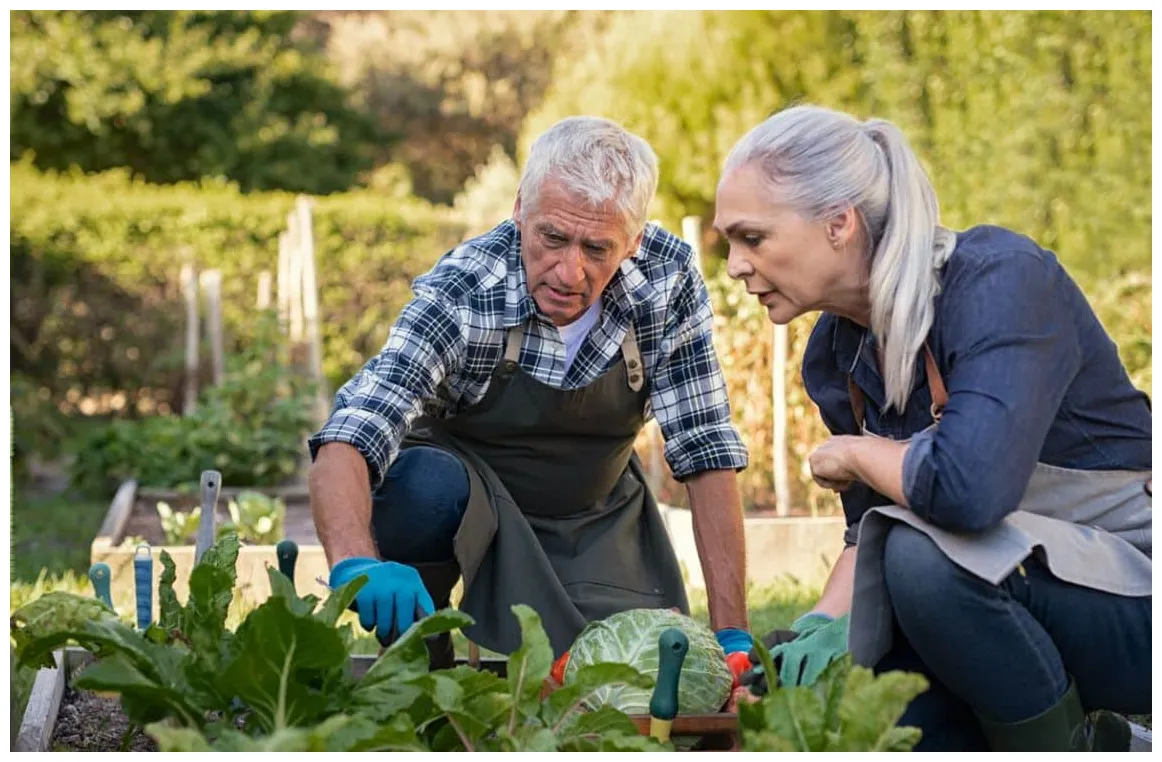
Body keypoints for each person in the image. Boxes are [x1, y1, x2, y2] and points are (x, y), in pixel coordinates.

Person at [714, 104, 1151, 751]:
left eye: (752, 238)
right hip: (1004, 594)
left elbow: (969, 490)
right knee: (878, 715)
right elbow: (870, 533)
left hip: (1134, 592)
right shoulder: (835, 355)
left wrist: (859, 453)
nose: (734, 265)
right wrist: (809, 636)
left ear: (838, 223)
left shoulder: (1000, 281)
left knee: (922, 562)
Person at [307, 115, 756, 676]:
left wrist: (732, 631)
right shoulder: (468, 289)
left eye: (597, 248)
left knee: (619, 679)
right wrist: (355, 563)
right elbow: (354, 429)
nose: (569, 272)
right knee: (422, 487)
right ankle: (418, 657)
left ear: (634, 240)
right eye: (552, 238)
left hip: (594, 509)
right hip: (470, 501)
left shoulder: (667, 279)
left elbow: (705, 446)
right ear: (520, 208)